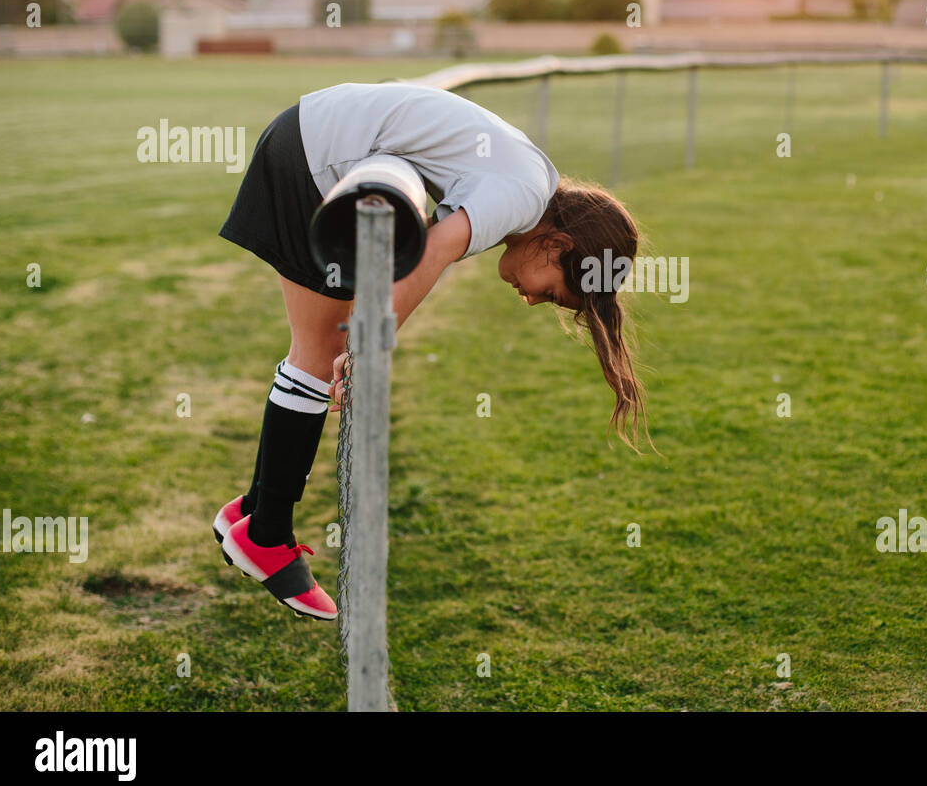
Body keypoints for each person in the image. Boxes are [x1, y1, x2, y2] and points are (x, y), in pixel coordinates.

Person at [211, 82, 649, 620]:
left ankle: (253, 511)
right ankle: (267, 534)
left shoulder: (533, 187)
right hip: (316, 155)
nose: (535, 300)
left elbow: (417, 250)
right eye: (555, 291)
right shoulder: (522, 198)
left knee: (323, 348)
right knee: (322, 351)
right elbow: (432, 251)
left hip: (311, 139)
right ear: (556, 246)